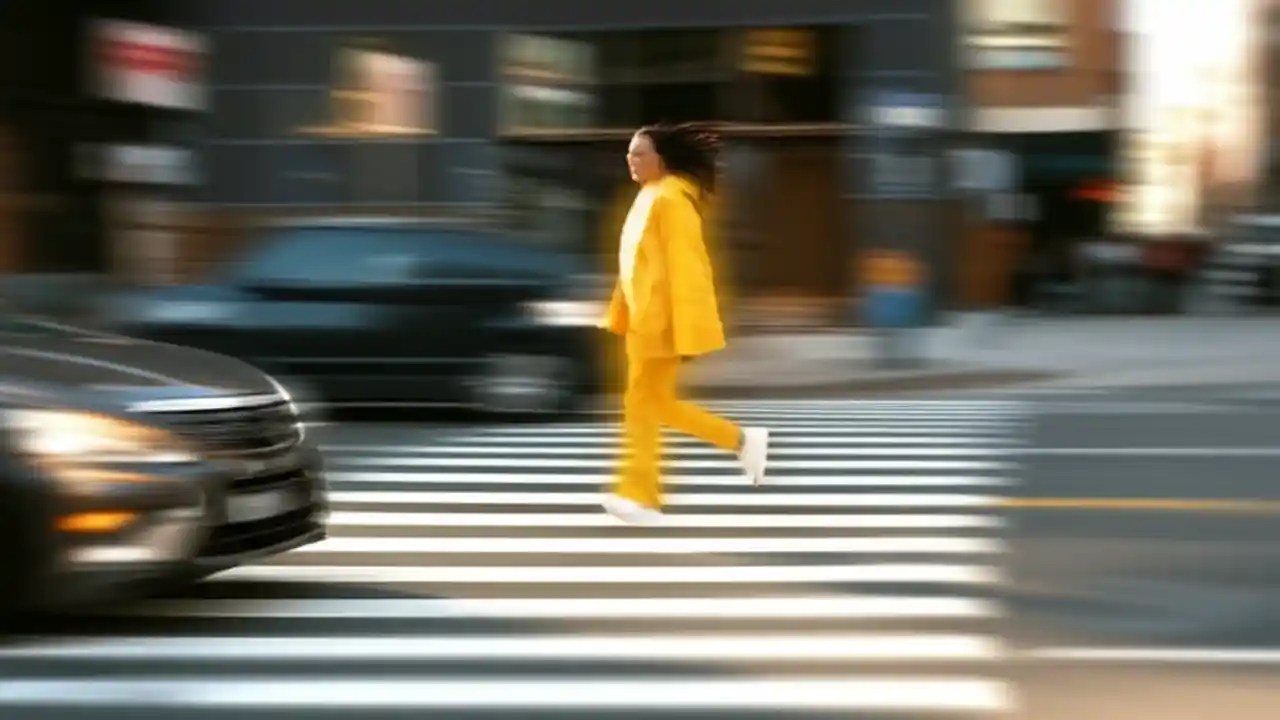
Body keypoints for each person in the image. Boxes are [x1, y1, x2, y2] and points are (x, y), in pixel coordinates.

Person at [599, 122, 769, 525]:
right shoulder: (649, 197)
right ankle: (741, 441)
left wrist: (689, 330)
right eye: (629, 153)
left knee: (642, 405)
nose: (631, 160)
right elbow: (634, 266)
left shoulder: (672, 201)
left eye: (639, 153)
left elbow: (689, 269)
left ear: (662, 159)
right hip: (643, 322)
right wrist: (622, 313)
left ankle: (642, 497)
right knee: (649, 404)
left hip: (660, 324)